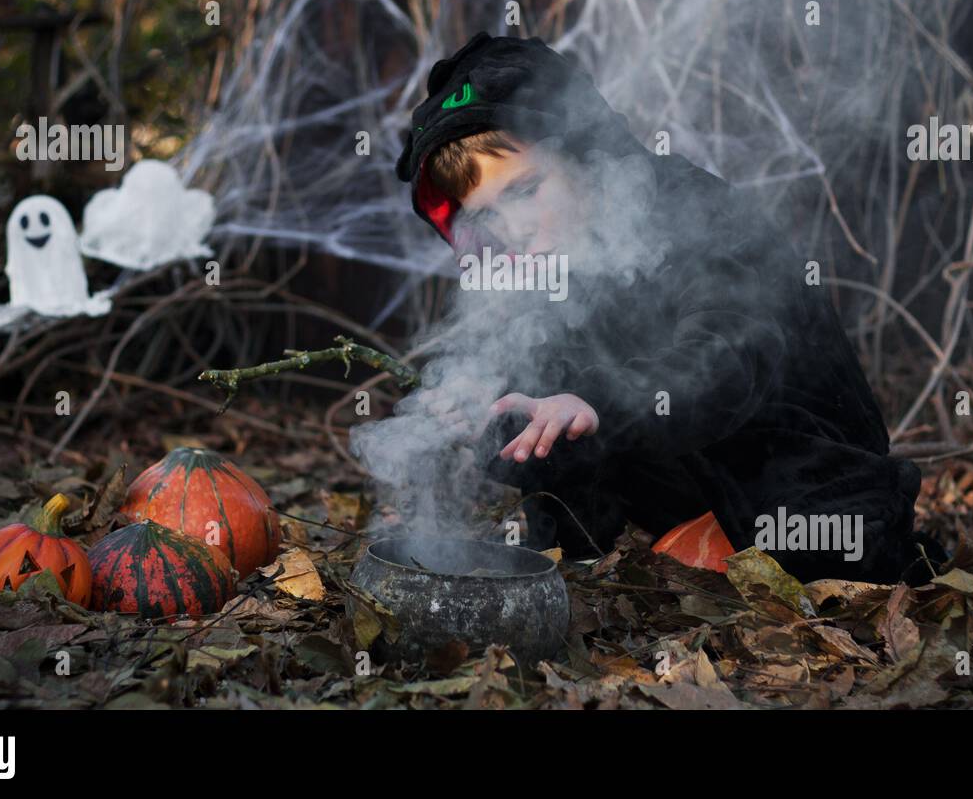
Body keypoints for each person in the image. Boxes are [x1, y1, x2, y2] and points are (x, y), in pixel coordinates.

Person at [393, 31, 943, 585]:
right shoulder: (550, 261)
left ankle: (735, 547)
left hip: (806, 476)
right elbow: (557, 410)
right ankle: (614, 562)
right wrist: (490, 415)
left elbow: (727, 359)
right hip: (691, 491)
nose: (512, 228)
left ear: (583, 155)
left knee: (826, 548)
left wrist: (598, 401)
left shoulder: (695, 212)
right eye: (486, 215)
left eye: (524, 189)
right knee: (552, 419)